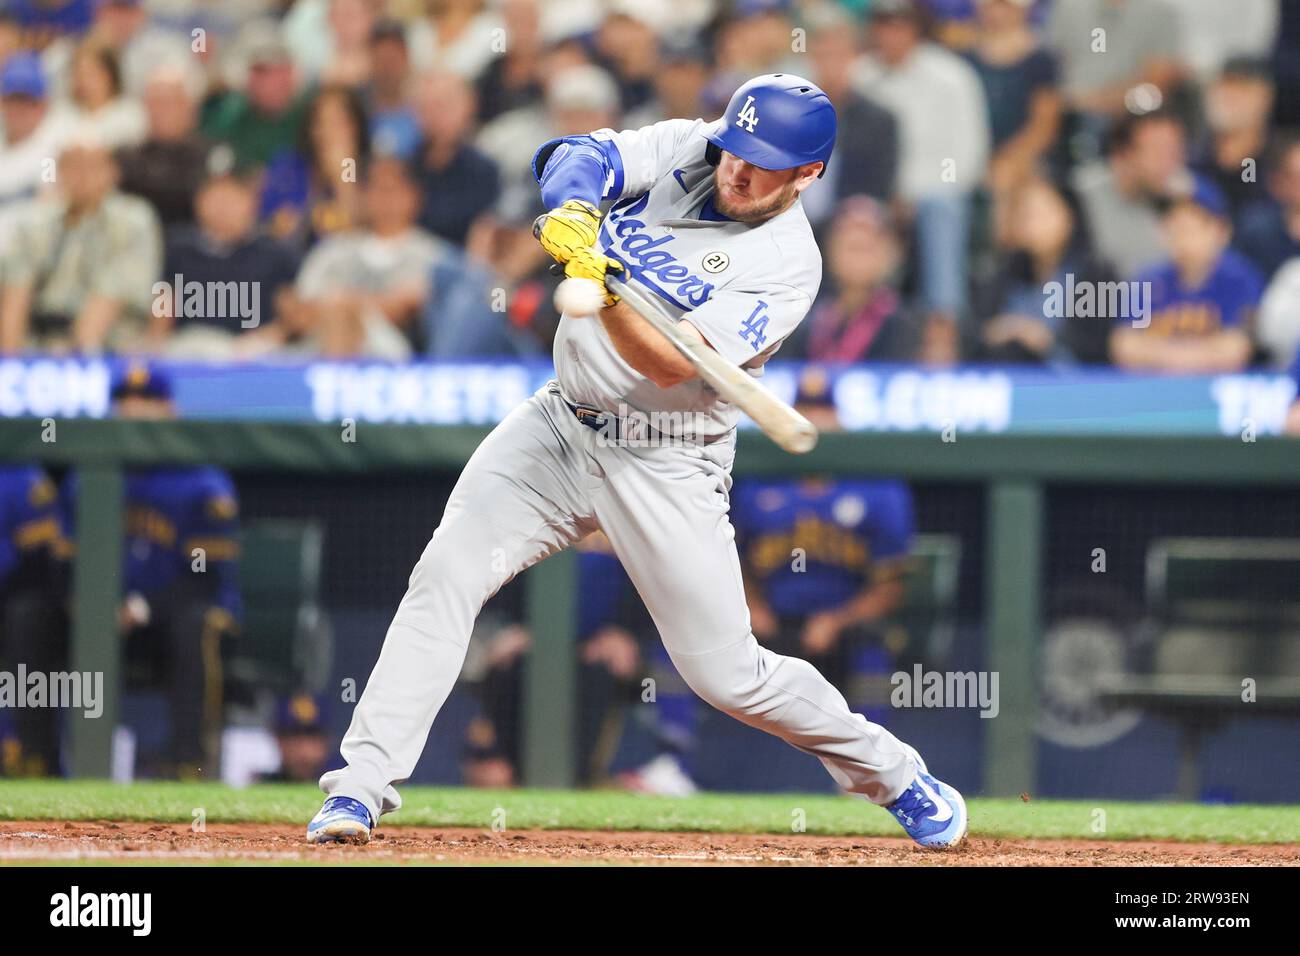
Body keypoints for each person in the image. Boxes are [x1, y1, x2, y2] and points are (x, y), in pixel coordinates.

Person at [307, 73, 968, 850]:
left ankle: (896, 775)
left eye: (761, 164)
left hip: (667, 457)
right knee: (445, 574)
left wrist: (602, 280)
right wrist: (575, 211)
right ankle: (358, 788)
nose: (737, 170)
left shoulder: (788, 264)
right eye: (737, 149)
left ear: (807, 175)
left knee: (729, 677)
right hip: (559, 424)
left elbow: (667, 364)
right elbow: (573, 154)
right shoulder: (693, 146)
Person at [61, 365, 241, 778]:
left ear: (170, 410)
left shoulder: (202, 481)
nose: (134, 411)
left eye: (147, 402)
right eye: (124, 402)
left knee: (193, 623)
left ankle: (189, 764)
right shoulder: (85, 477)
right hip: (102, 616)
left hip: (178, 613)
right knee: (35, 616)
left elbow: (205, 577)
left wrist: (140, 608)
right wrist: (90, 606)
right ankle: (39, 761)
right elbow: (64, 562)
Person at [855, 0, 990, 318]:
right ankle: (854, 323)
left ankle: (943, 321)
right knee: (853, 212)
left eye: (900, 25)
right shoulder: (860, 75)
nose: (892, 34)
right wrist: (889, 195)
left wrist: (911, 194)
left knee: (941, 208)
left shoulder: (951, 75)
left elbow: (968, 158)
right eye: (884, 24)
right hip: (878, 192)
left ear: (916, 28)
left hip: (935, 191)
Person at [267, 157, 454, 358]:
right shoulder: (334, 250)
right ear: (363, 195)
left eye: (393, 190)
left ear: (415, 195)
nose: (385, 200)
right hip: (315, 342)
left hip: (392, 353)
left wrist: (346, 305)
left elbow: (405, 308)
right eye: (377, 189)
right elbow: (300, 310)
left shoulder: (434, 256)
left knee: (339, 312)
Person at [0, 135, 161, 354]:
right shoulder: (33, 223)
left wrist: (77, 360)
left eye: (92, 166)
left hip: (110, 346)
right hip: (40, 338)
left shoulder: (132, 221)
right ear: (58, 173)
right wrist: (12, 361)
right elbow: (15, 296)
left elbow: (109, 299)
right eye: (72, 166)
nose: (82, 175)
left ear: (113, 172)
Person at [1110, 176, 1259, 372]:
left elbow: (1236, 349)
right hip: (1155, 384)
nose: (1183, 238)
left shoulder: (1239, 279)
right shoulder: (1148, 278)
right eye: (1175, 227)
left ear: (1221, 231)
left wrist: (1165, 355)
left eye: (1192, 227)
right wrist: (1186, 356)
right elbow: (1124, 345)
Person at [157, 157, 300, 359]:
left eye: (232, 198)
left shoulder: (274, 253)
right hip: (192, 345)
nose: (222, 207)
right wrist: (155, 345)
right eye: (215, 196)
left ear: (251, 201)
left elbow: (294, 317)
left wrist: (270, 335)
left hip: (253, 350)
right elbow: (163, 309)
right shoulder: (179, 248)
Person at [974, 177, 1114, 365]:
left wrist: (1042, 340)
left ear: (1070, 216)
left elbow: (1099, 347)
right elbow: (983, 334)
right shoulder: (1004, 276)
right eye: (1025, 215)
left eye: (1042, 213)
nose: (1032, 224)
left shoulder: (1096, 277)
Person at [786, 196, 918, 362]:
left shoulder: (905, 325)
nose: (857, 260)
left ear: (889, 254)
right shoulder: (807, 317)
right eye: (851, 247)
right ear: (830, 250)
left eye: (866, 248)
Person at [0, 465, 67, 777]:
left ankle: (33, 757)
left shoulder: (25, 480)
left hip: (20, 595)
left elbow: (40, 565)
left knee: (28, 617)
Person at [1073, 109, 1186, 279]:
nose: (1170, 162)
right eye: (1158, 151)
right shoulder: (1080, 195)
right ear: (1121, 155)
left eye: (1175, 151)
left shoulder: (1186, 194)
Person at [115, 63, 212, 228]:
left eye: (169, 102)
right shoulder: (125, 158)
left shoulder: (211, 156)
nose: (160, 110)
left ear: (190, 107)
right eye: (153, 102)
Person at [0, 52, 72, 212]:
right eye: (12, 100)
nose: (18, 109)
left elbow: (49, 200)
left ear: (43, 104)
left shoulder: (54, 148)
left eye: (27, 101)